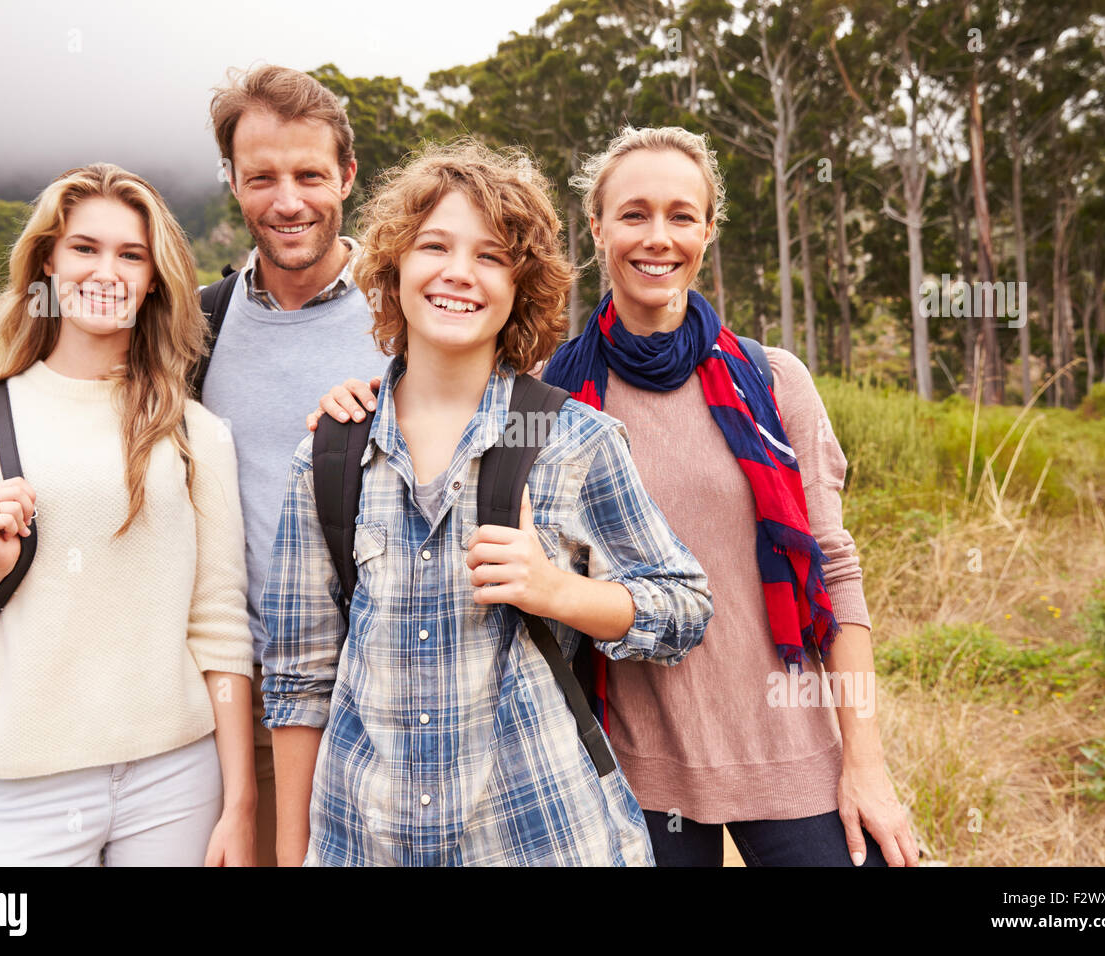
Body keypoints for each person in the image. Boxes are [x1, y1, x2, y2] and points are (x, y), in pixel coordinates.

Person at [313, 126, 919, 867]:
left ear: (707, 230)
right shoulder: (550, 400)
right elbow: (449, 399)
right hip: (635, 769)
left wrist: (867, 762)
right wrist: (372, 400)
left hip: (791, 754)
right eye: (633, 214)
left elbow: (834, 572)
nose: (656, 238)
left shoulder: (773, 382)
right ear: (597, 229)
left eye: (680, 215)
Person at [0, 65, 391, 866]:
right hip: (228, 711)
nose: (288, 201)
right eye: (261, 177)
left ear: (348, 176)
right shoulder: (200, 331)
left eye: (310, 175)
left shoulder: (408, 319)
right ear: (232, 183)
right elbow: (94, 382)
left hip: (383, 704)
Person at [261, 139, 713, 866]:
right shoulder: (328, 454)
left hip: (535, 835)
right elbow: (298, 679)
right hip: (363, 840)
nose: (458, 274)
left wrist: (558, 591)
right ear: (394, 267)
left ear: (520, 286)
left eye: (492, 256)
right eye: (433, 245)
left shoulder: (573, 439)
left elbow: (684, 608)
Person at [0, 163, 256, 866]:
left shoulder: (196, 433)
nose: (106, 271)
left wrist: (239, 805)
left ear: (154, 280)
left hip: (177, 779)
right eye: (85, 248)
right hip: (24, 788)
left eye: (132, 254)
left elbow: (220, 630)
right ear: (47, 261)